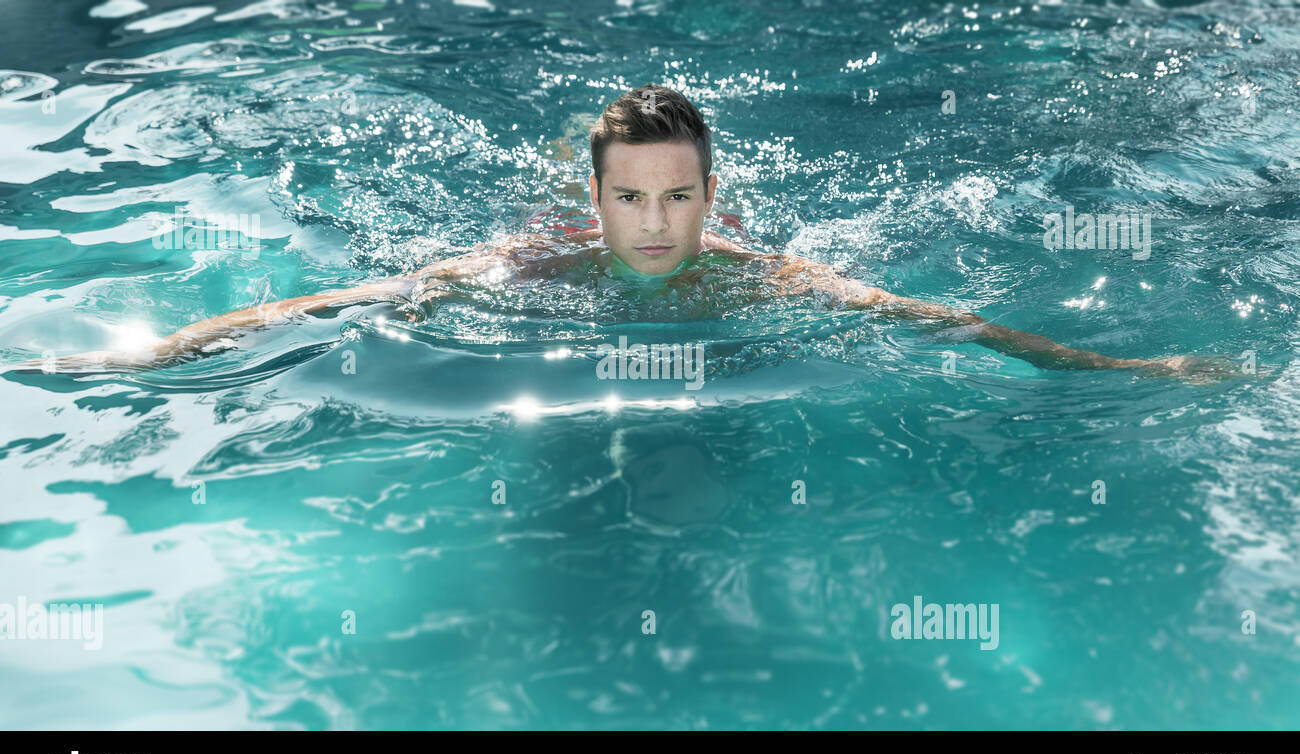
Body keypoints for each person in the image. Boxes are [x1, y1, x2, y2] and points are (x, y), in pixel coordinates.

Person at [18, 84, 1226, 378]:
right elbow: (318, 307)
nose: (654, 225)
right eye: (629, 198)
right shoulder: (524, 262)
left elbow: (938, 319)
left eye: (677, 197)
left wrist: (1120, 365)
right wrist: (145, 354)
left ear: (714, 200)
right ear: (592, 207)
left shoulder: (762, 274)